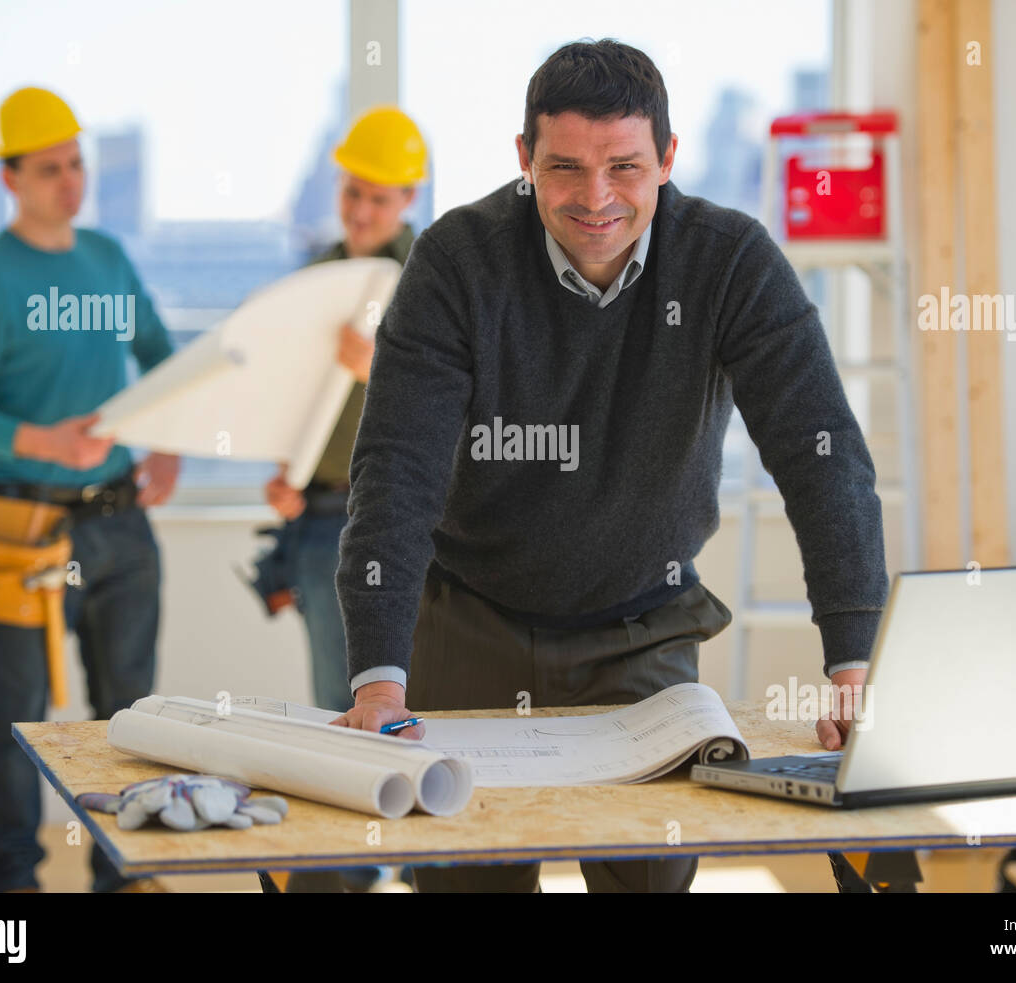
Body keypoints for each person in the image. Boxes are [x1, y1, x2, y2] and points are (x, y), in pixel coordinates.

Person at [328, 39, 889, 892]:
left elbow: (822, 454)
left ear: (668, 158)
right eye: (564, 168)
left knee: (651, 877)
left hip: (643, 627)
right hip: (471, 618)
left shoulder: (729, 262)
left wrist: (852, 661)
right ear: (524, 160)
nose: (596, 199)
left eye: (625, 166)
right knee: (461, 881)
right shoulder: (457, 261)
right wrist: (377, 677)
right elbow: (397, 469)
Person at [0, 87, 179, 893]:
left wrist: (165, 446)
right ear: (10, 179)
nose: (70, 182)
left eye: (77, 164)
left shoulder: (105, 257)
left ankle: (122, 874)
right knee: (16, 714)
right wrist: (42, 439)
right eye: (49, 169)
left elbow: (161, 354)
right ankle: (12, 885)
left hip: (120, 524)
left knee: (130, 715)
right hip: (23, 529)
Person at [259, 106, 426, 894]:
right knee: (340, 704)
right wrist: (284, 473)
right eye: (354, 192)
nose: (362, 211)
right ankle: (349, 878)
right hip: (323, 519)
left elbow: (466, 404)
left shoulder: (431, 279)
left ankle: (421, 868)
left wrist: (380, 367)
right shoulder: (315, 277)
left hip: (413, 526)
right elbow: (289, 395)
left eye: (379, 198)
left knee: (411, 702)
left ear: (408, 199)